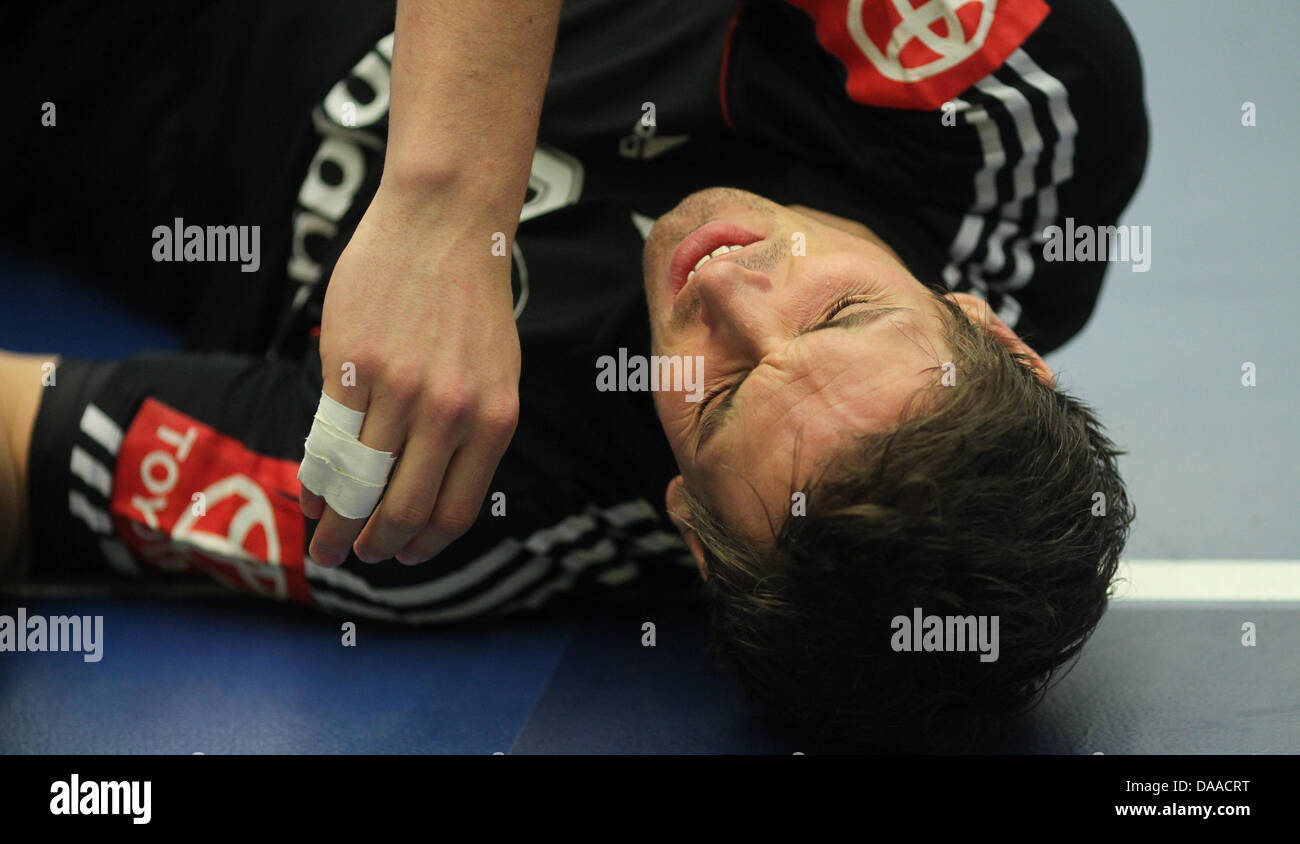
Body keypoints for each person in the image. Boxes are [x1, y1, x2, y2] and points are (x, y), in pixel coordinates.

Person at [1, 0, 1146, 750]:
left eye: (729, 391)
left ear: (694, 527)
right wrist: (450, 202)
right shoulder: (1011, 97)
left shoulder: (433, 513)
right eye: (841, 308)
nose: (735, 287)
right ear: (989, 332)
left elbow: (19, 445)